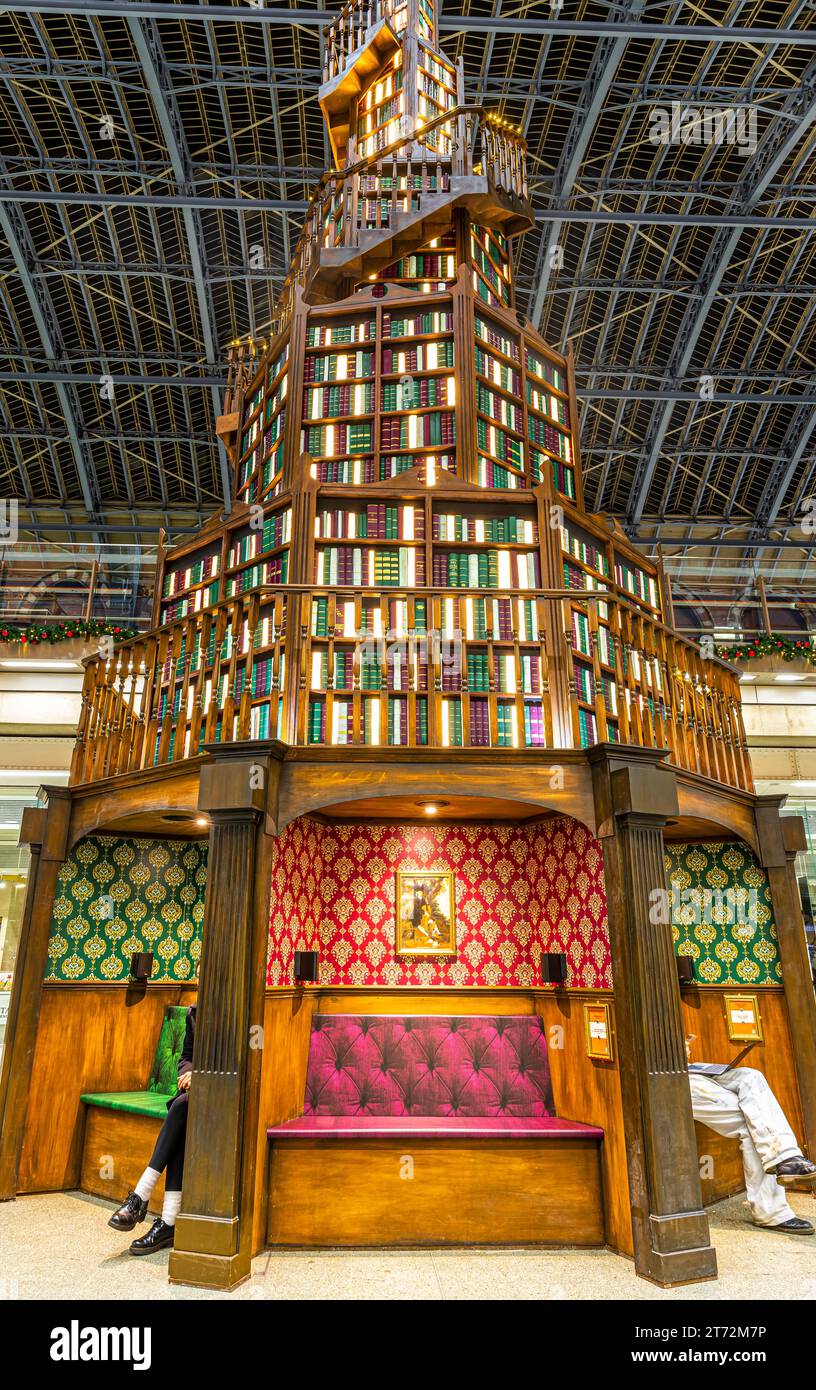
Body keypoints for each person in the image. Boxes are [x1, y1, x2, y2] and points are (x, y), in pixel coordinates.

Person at [687, 1034, 816, 1234]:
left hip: (692, 1070)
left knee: (751, 1076)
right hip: (670, 1077)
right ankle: (773, 1209)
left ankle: (787, 1158)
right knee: (754, 1121)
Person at [108, 1005, 195, 1255]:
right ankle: (168, 1222)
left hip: (227, 1093)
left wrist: (199, 1076)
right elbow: (186, 1057)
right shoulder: (194, 1013)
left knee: (180, 1107)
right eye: (200, 980)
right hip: (193, 1098)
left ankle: (140, 1196)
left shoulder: (235, 1011)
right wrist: (188, 1072)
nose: (202, 985)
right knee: (183, 1113)